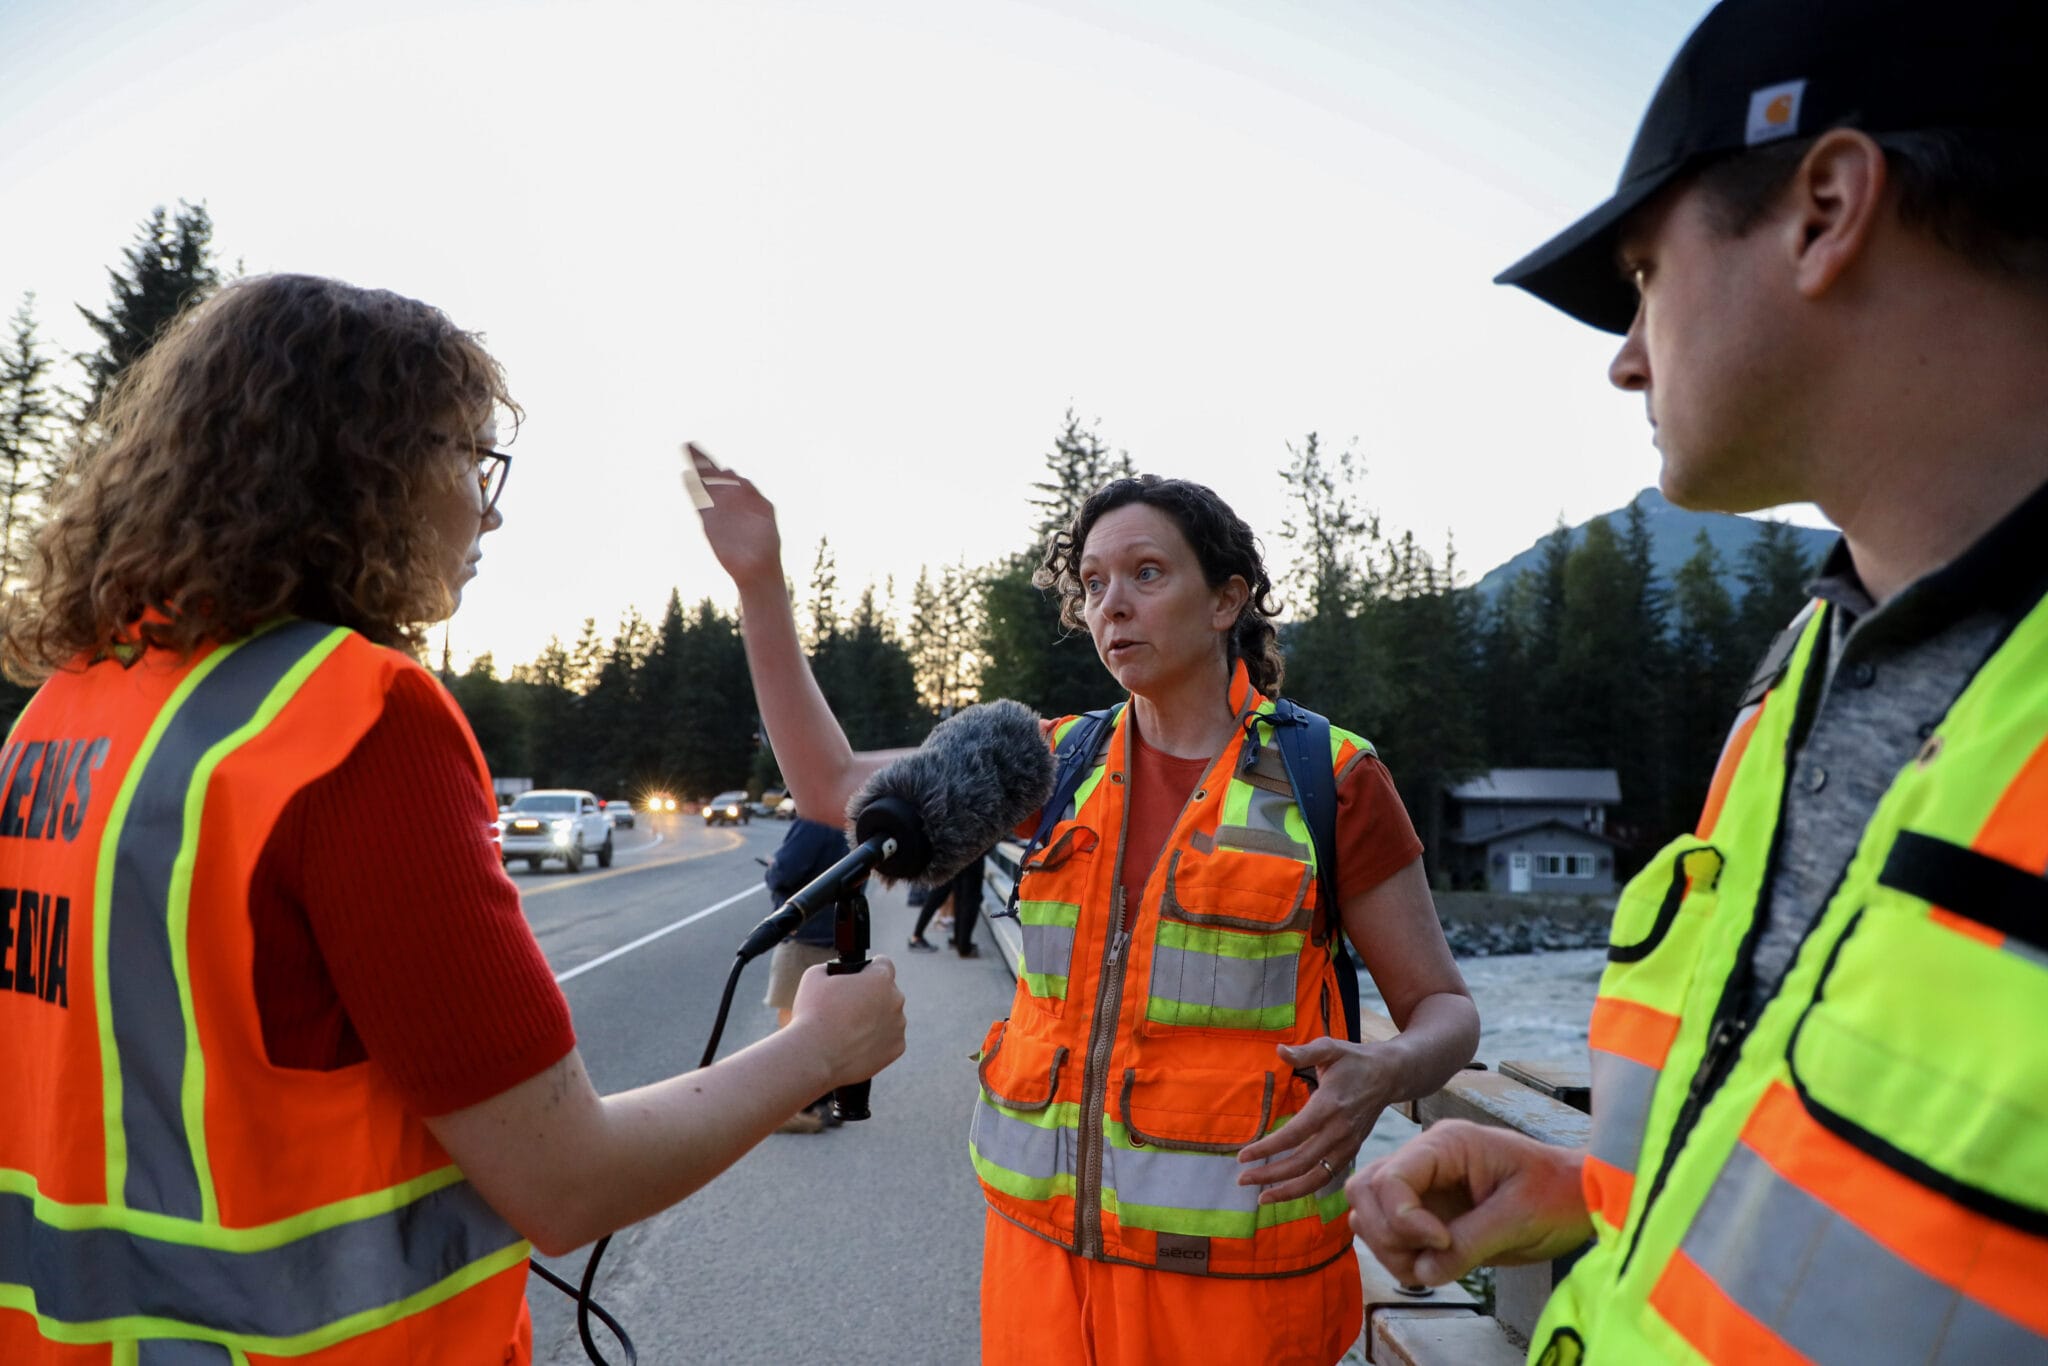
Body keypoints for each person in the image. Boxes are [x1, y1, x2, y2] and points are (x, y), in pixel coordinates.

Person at [0, 274, 906, 1364]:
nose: (489, 505)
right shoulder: (350, 719)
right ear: (368, 466)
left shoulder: (67, 711)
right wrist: (813, 1048)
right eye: (469, 459)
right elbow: (566, 1178)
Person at [1347, 3, 2048, 1363]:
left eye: (1643, 277)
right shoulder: (1796, 685)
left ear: (1825, 208)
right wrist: (1613, 1199)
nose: (1622, 354)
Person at [691, 447, 1479, 1365]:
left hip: (1236, 1296)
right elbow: (831, 786)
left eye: (1147, 574)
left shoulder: (1330, 780)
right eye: (1095, 582)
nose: (1113, 603)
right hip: (1041, 1280)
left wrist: (1387, 1071)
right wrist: (760, 584)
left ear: (1227, 601)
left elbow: (1446, 1013)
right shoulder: (1050, 763)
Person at [763, 816, 854, 1132]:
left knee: (793, 1025)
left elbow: (786, 871)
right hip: (839, 933)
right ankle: (826, 1100)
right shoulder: (854, 817)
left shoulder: (814, 821)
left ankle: (796, 1108)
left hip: (805, 934)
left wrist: (772, 867)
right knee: (826, 1023)